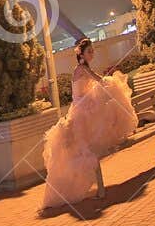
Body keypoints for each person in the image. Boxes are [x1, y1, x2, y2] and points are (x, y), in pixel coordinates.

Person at [40, 39, 137, 211]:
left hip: (81, 106)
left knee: (107, 104)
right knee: (111, 93)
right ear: (81, 54)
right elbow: (100, 81)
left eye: (93, 51)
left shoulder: (80, 69)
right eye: (89, 51)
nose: (92, 54)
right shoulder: (82, 69)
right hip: (82, 108)